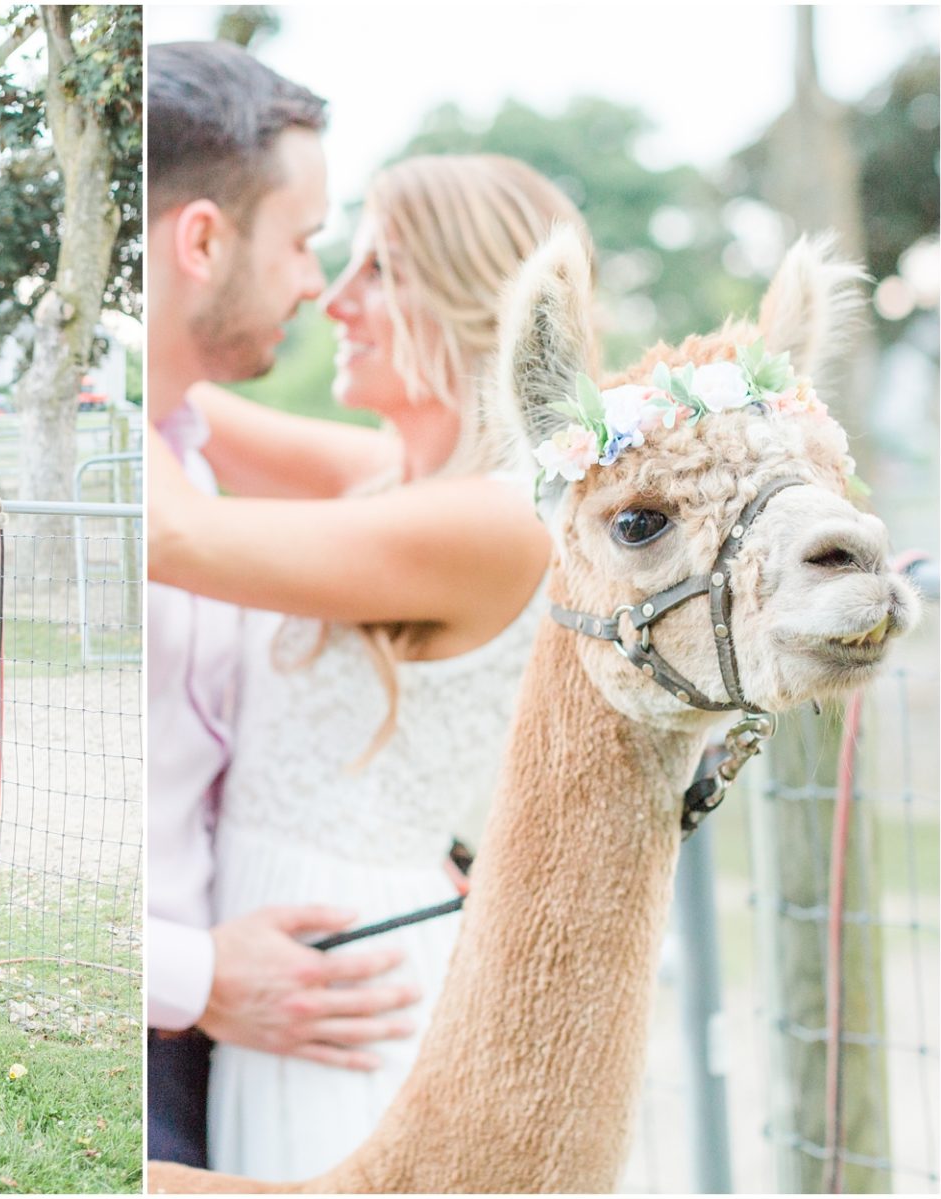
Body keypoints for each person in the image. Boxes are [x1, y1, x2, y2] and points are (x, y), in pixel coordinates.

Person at [149, 152, 589, 1180]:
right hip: (291, 957)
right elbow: (182, 401)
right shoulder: (389, 478)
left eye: (379, 269)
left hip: (353, 987)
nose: (333, 297)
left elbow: (174, 532)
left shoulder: (498, 516)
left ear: (480, 299)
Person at [145, 41, 421, 1172]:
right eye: (304, 240)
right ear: (203, 241)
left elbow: (406, 477)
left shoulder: (194, 451)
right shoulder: (151, 493)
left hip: (248, 1024)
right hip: (149, 1036)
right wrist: (199, 975)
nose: (317, 283)